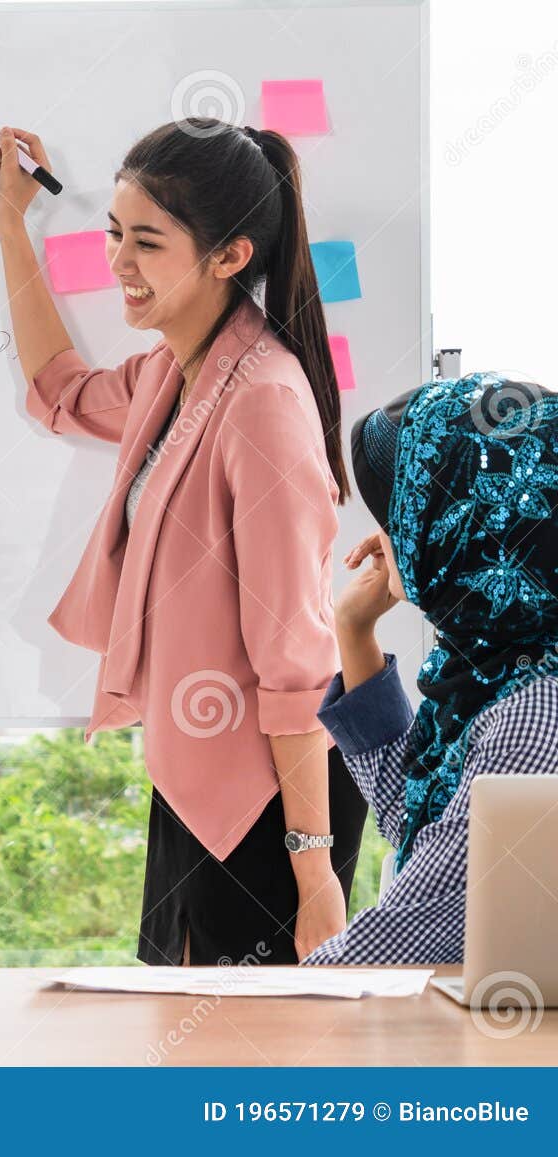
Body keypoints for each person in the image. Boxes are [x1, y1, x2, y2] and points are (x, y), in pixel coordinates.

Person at [0, 119, 367, 965]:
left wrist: (314, 872)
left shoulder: (261, 400)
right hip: (198, 782)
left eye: (147, 242)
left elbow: (296, 661)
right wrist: (10, 222)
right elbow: (63, 391)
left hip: (273, 802)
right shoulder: (174, 371)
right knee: (181, 1054)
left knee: (249, 1071)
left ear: (230, 256)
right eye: (116, 233)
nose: (119, 262)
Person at [308, 375, 558, 963]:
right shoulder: (494, 668)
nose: (386, 535)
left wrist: (263, 1013)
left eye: (403, 513)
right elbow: (417, 823)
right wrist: (353, 629)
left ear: (460, 534)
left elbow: (412, 930)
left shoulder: (533, 711)